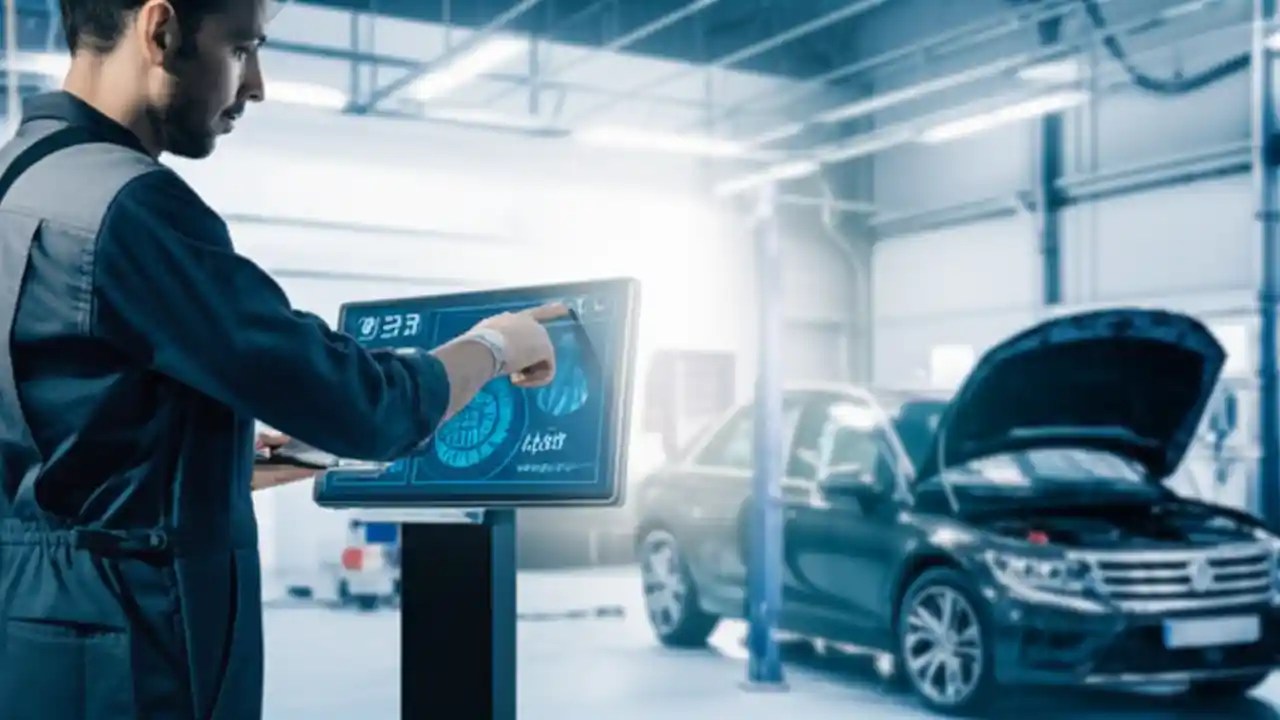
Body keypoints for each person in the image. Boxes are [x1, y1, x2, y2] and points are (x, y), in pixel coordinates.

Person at [0, 0, 566, 717]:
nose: (257, 84)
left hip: (37, 636)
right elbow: (365, 409)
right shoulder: (134, 209)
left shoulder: (17, 182)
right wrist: (494, 346)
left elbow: (57, 421)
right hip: (137, 651)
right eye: (242, 49)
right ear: (160, 30)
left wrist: (204, 463)